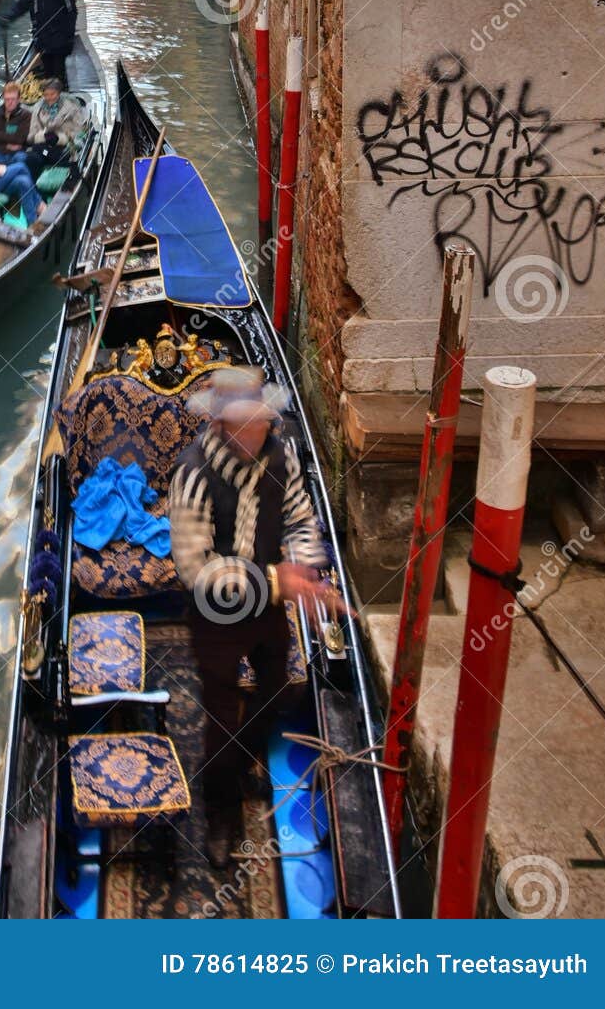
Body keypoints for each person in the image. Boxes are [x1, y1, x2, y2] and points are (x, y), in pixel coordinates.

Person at [168, 369, 348, 868]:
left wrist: (311, 573)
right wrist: (276, 580)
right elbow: (194, 569)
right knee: (222, 718)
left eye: (266, 420)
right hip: (214, 619)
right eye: (252, 423)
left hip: (268, 612)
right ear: (225, 426)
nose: (265, 428)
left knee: (277, 691)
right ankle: (220, 809)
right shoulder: (192, 475)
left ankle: (233, 761)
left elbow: (298, 514)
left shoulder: (280, 452)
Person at [0, 0, 77, 89]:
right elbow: (20, 7)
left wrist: (69, 36)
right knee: (48, 74)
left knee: (58, 75)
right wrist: (8, 18)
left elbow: (72, 13)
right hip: (43, 40)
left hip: (60, 40)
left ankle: (61, 95)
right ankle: (49, 98)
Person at [25, 78, 85, 182]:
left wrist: (62, 138)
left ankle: (67, 173)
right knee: (33, 158)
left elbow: (79, 131)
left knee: (60, 155)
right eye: (46, 94)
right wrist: (41, 137)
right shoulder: (38, 109)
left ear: (59, 93)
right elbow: (33, 133)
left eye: (52, 94)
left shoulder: (72, 108)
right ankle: (33, 185)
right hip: (44, 146)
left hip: (66, 145)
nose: (49, 98)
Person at [0, 81, 33, 163]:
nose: (10, 102)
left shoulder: (26, 116)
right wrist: (6, 146)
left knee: (22, 158)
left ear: (19, 99)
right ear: (3, 99)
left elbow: (19, 139)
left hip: (18, 154)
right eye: (7, 99)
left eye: (13, 99)